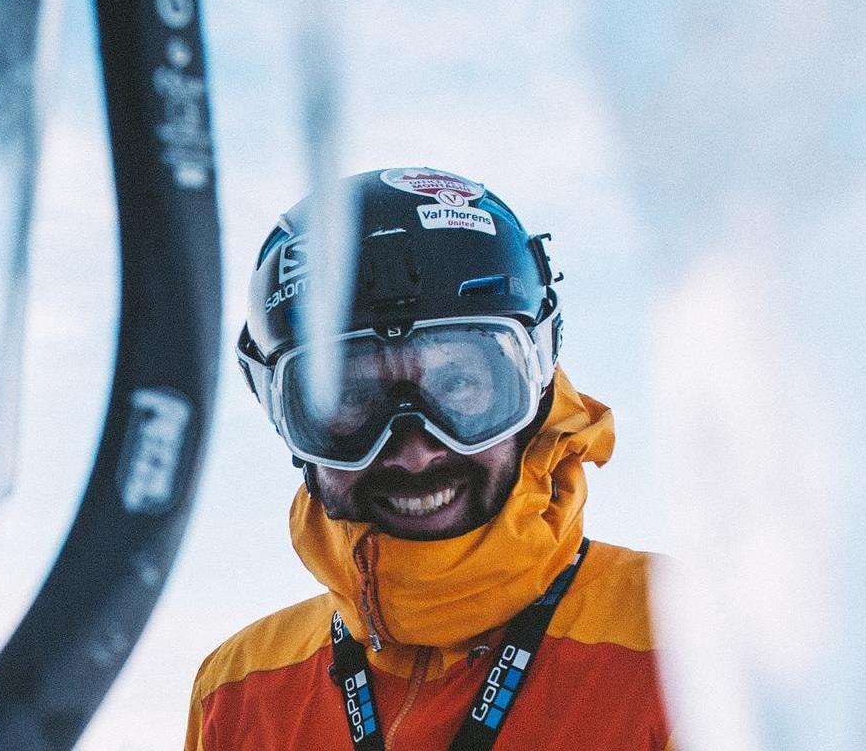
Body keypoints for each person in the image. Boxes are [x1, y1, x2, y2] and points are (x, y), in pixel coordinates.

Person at [185, 167, 671, 750]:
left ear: (537, 387)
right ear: (286, 417)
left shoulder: (690, 647)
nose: (414, 453)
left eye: (458, 384)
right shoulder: (238, 693)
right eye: (351, 398)